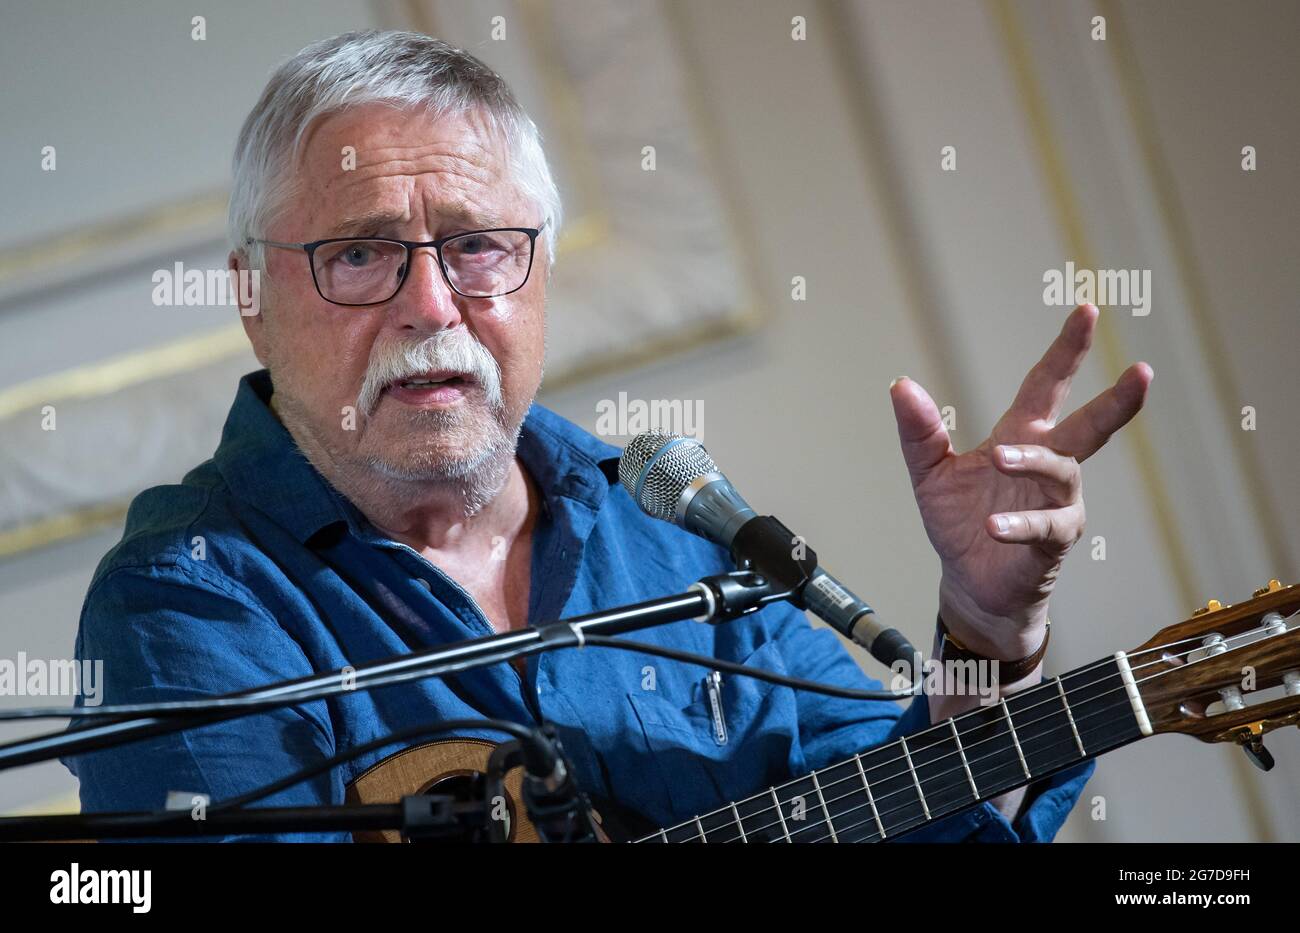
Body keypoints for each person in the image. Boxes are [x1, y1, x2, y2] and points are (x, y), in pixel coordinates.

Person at [63, 30, 1152, 842]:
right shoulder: (187, 602)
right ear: (252, 295)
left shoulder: (670, 521)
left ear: (539, 273)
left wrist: (984, 627)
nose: (432, 306)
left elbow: (903, 815)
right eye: (358, 255)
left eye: (478, 245)